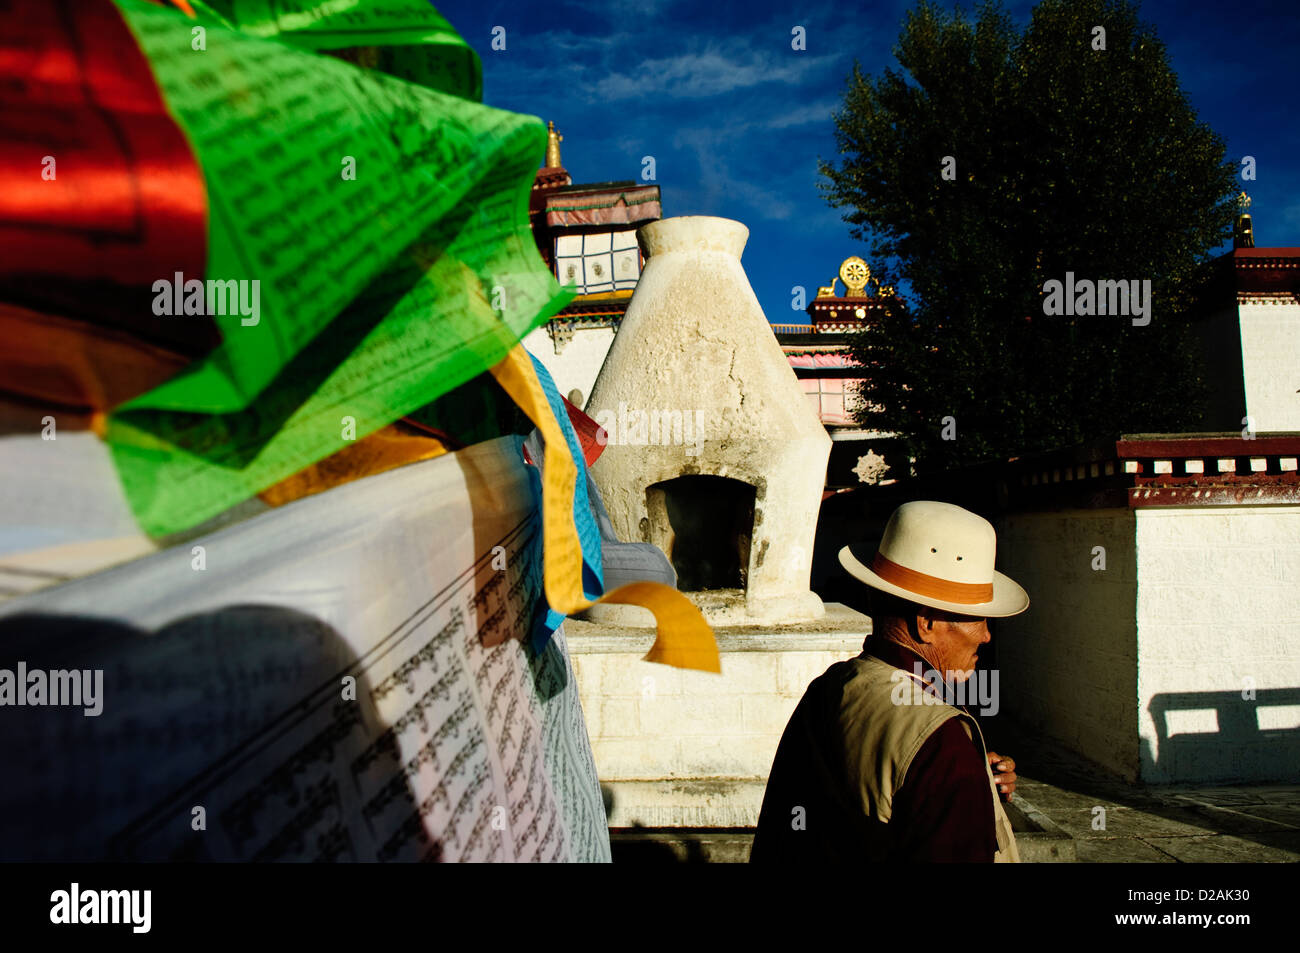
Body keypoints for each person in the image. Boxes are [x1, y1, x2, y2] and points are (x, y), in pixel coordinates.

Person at [750, 500, 1028, 863]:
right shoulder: (941, 745)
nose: (986, 636)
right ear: (926, 622)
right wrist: (956, 775)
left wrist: (976, 785)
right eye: (977, 619)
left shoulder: (830, 687)